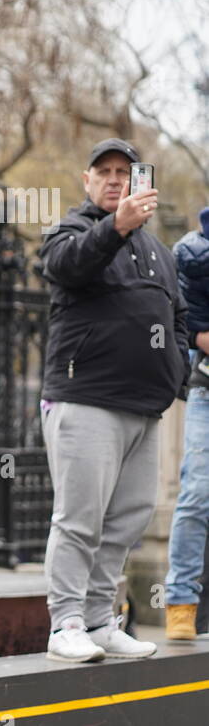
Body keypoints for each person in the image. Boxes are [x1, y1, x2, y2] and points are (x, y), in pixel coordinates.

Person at [37, 138, 185, 662]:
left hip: (146, 408)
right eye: (105, 171)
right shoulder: (72, 231)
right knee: (80, 519)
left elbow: (179, 318)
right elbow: (68, 266)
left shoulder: (159, 253)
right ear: (87, 180)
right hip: (85, 400)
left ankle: (101, 621)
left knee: (127, 521)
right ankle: (67, 624)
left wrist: (176, 373)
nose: (116, 179)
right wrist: (115, 226)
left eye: (126, 171)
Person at [164, 208, 209, 640]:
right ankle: (180, 602)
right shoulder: (192, 253)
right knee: (197, 492)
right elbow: (187, 321)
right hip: (207, 391)